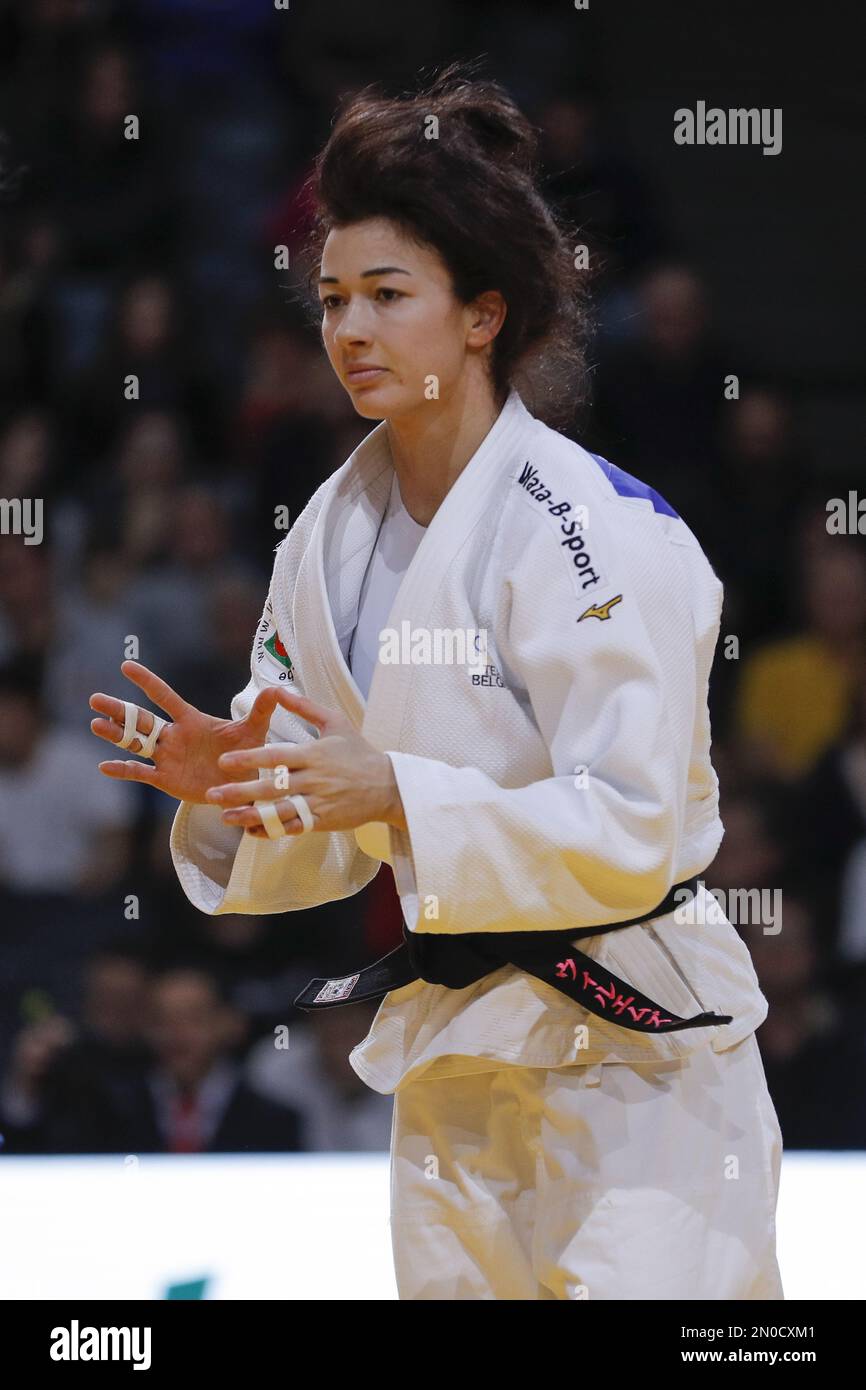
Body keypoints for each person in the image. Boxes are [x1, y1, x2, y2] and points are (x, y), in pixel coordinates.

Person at [89, 62, 783, 1300]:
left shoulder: (596, 530)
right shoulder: (329, 535)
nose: (348, 328)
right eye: (332, 298)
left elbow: (625, 826)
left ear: (482, 315)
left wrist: (395, 792)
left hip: (634, 1065)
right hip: (453, 1072)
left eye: (387, 295)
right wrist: (235, 790)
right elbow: (325, 832)